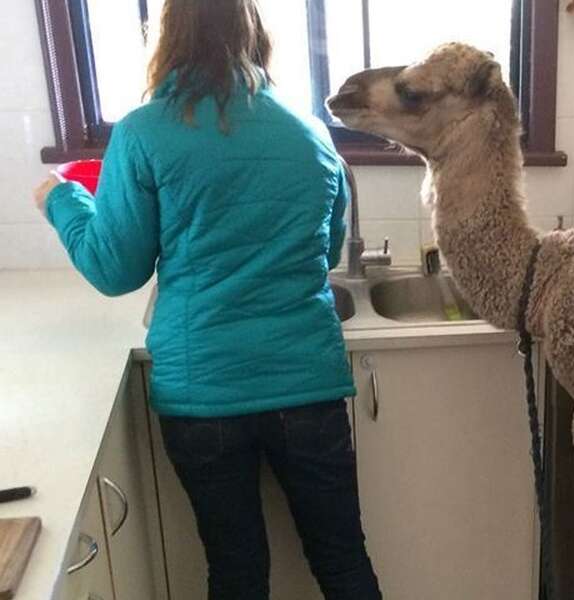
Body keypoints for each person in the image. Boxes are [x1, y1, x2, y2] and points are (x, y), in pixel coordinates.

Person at [33, 1, 382, 598]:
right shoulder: (311, 133)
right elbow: (324, 254)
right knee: (344, 563)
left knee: (237, 570)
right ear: (256, 36)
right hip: (307, 387)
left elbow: (117, 269)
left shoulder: (144, 130)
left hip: (203, 398)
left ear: (167, 36)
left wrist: (60, 202)